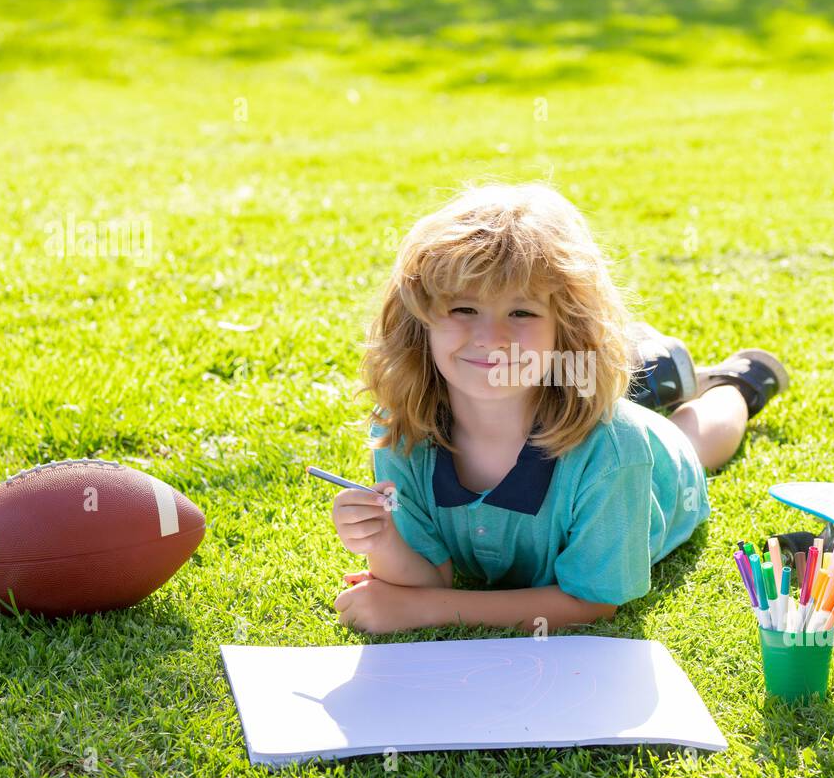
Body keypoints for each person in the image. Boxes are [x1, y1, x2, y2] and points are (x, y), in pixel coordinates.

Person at [331, 182, 786, 634]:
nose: (491, 338)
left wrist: (424, 610)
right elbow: (431, 575)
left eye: (522, 313)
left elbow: (591, 602)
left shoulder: (616, 449)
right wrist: (382, 542)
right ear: (418, 323)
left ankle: (733, 383)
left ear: (566, 328)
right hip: (550, 382)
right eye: (464, 309)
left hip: (657, 465)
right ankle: (658, 369)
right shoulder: (402, 432)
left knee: (694, 440)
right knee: (576, 380)